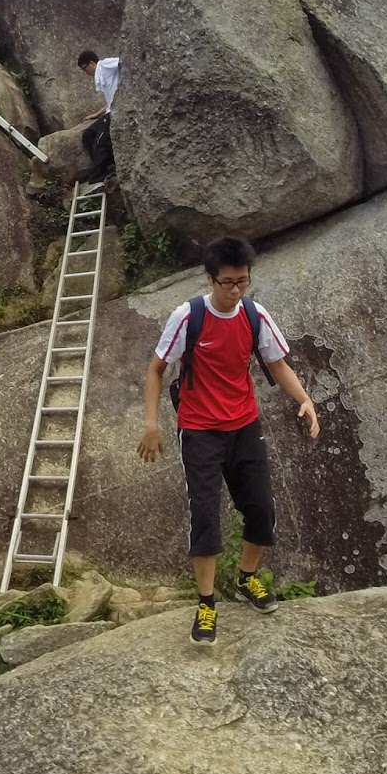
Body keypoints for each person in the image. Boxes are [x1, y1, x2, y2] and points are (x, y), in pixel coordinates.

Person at [140, 235, 320, 647]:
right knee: (205, 514)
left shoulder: (255, 315)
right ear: (210, 279)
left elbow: (277, 363)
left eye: (243, 281)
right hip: (199, 428)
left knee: (261, 509)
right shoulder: (188, 317)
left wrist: (305, 399)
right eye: (228, 282)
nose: (236, 289)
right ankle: (206, 603)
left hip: (243, 424)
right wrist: (152, 424)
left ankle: (247, 578)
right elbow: (156, 370)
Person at [76, 49, 119, 182]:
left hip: (116, 111)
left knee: (101, 140)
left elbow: (123, 61)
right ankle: (106, 167)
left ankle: (98, 174)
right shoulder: (101, 73)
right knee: (88, 134)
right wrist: (96, 115)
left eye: (85, 69)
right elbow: (109, 101)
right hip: (109, 110)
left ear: (91, 63)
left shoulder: (104, 65)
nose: (86, 72)